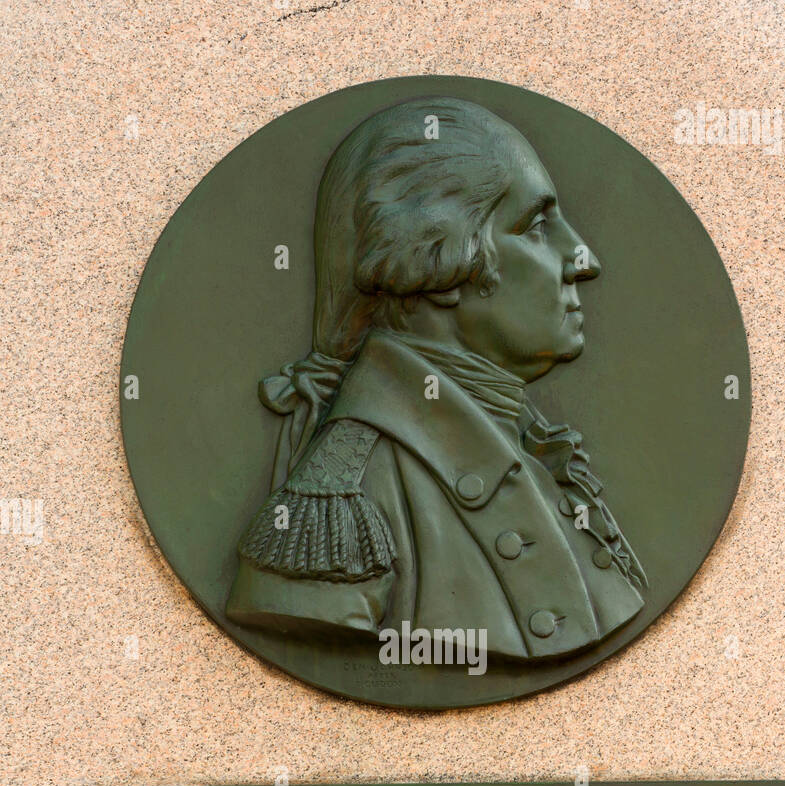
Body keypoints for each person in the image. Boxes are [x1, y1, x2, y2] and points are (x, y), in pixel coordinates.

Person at [227, 97, 646, 663]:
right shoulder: (346, 494)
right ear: (438, 258)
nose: (582, 256)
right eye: (537, 225)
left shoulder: (528, 438)